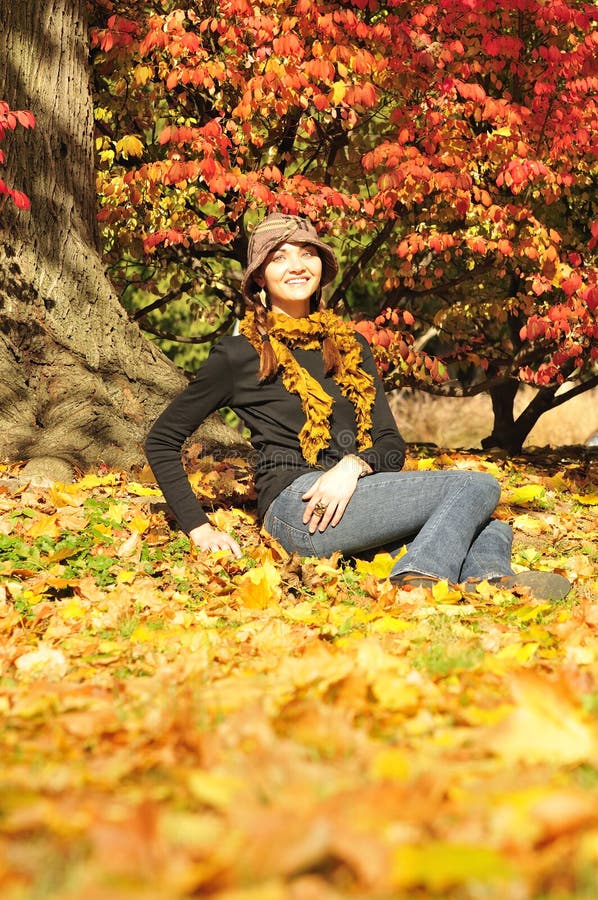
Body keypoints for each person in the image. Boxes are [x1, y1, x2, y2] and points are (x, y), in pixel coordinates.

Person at [145, 212, 570, 600]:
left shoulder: (351, 347)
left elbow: (390, 445)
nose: (297, 265)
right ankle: (418, 577)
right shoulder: (238, 354)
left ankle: (492, 583)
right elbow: (162, 441)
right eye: (279, 257)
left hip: (354, 498)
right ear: (259, 277)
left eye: (307, 253)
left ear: (321, 268)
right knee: (475, 487)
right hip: (296, 507)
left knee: (486, 522)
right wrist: (199, 529)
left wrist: (351, 467)